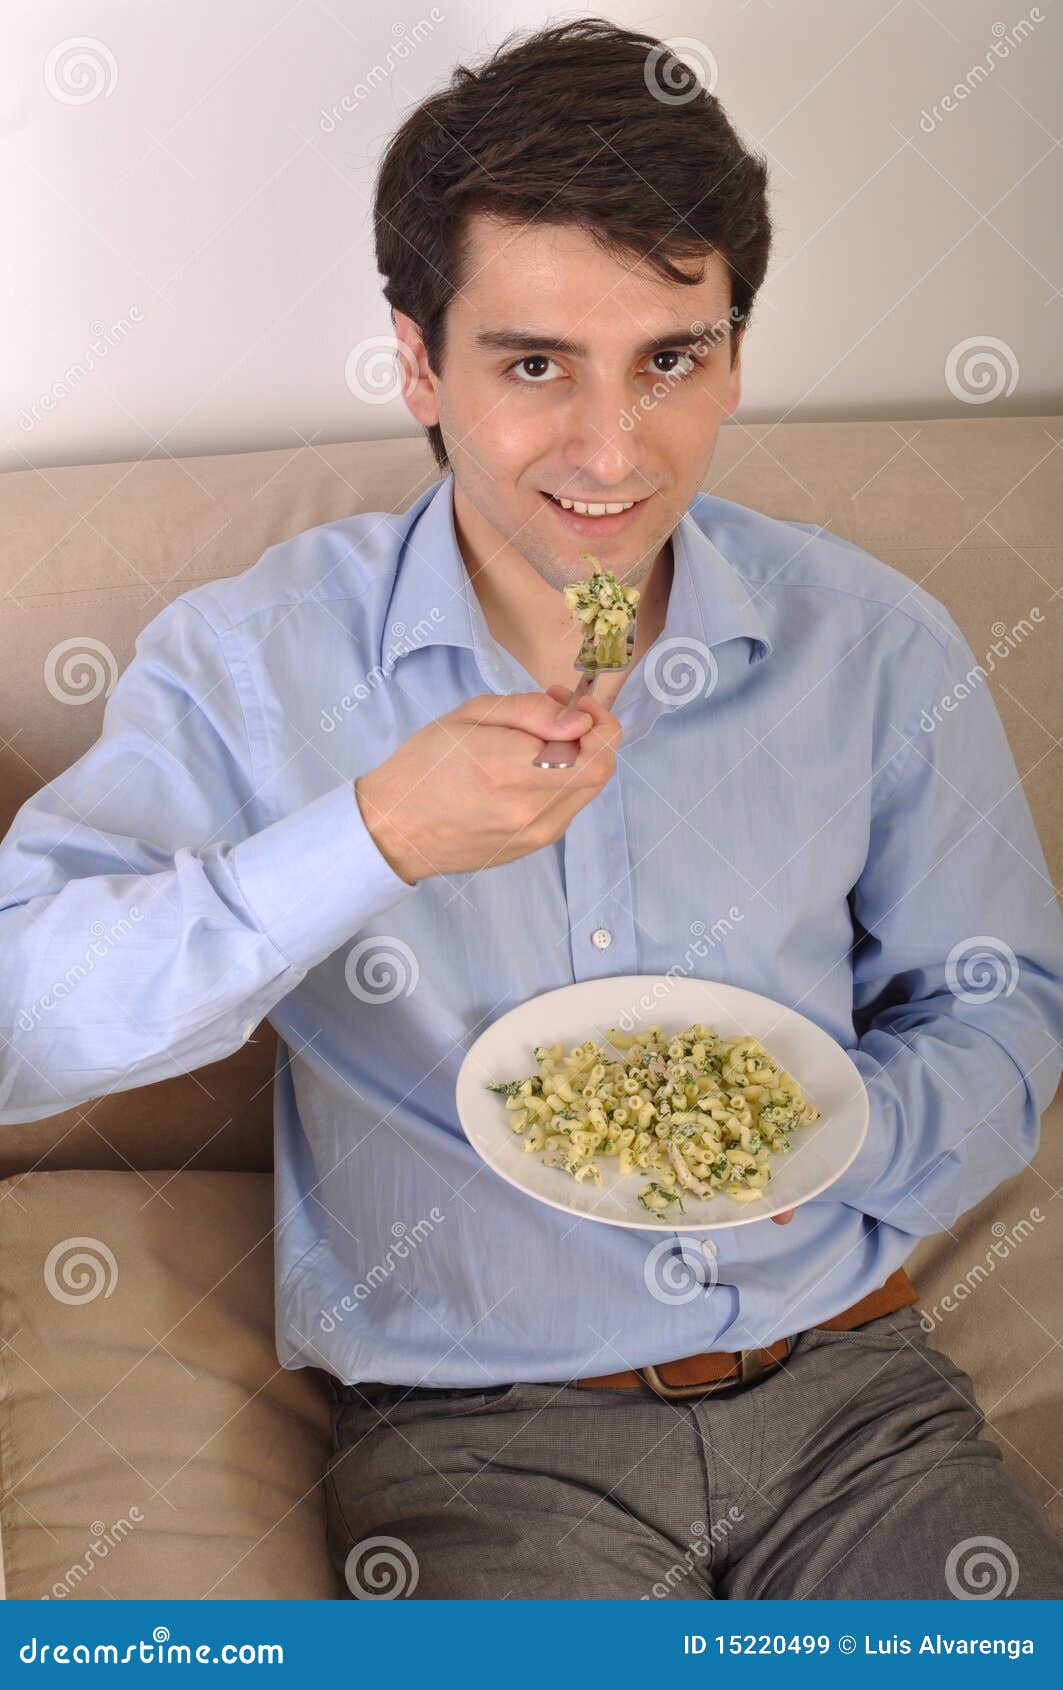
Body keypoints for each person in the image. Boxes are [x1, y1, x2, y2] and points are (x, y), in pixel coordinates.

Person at [2, 19, 1062, 1601]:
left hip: (856, 1401)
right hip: (480, 1437)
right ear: (420, 361)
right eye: (533, 363)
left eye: (671, 359)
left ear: (734, 351)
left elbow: (1004, 1006)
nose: (612, 452)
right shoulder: (256, 658)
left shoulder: (875, 646)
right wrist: (366, 835)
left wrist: (834, 1146)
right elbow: (25, 1018)